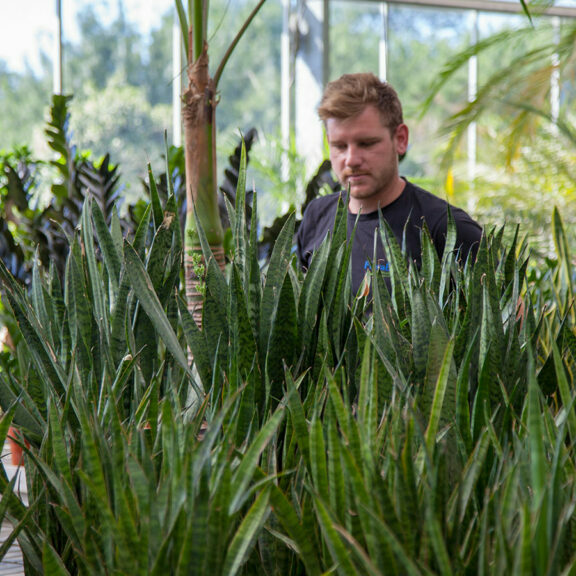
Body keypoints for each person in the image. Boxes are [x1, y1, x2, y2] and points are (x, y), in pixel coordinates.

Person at [297, 73, 483, 295]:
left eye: (366, 143)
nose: (351, 159)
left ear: (401, 139)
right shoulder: (316, 217)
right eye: (339, 146)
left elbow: (512, 320)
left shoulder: (446, 228)